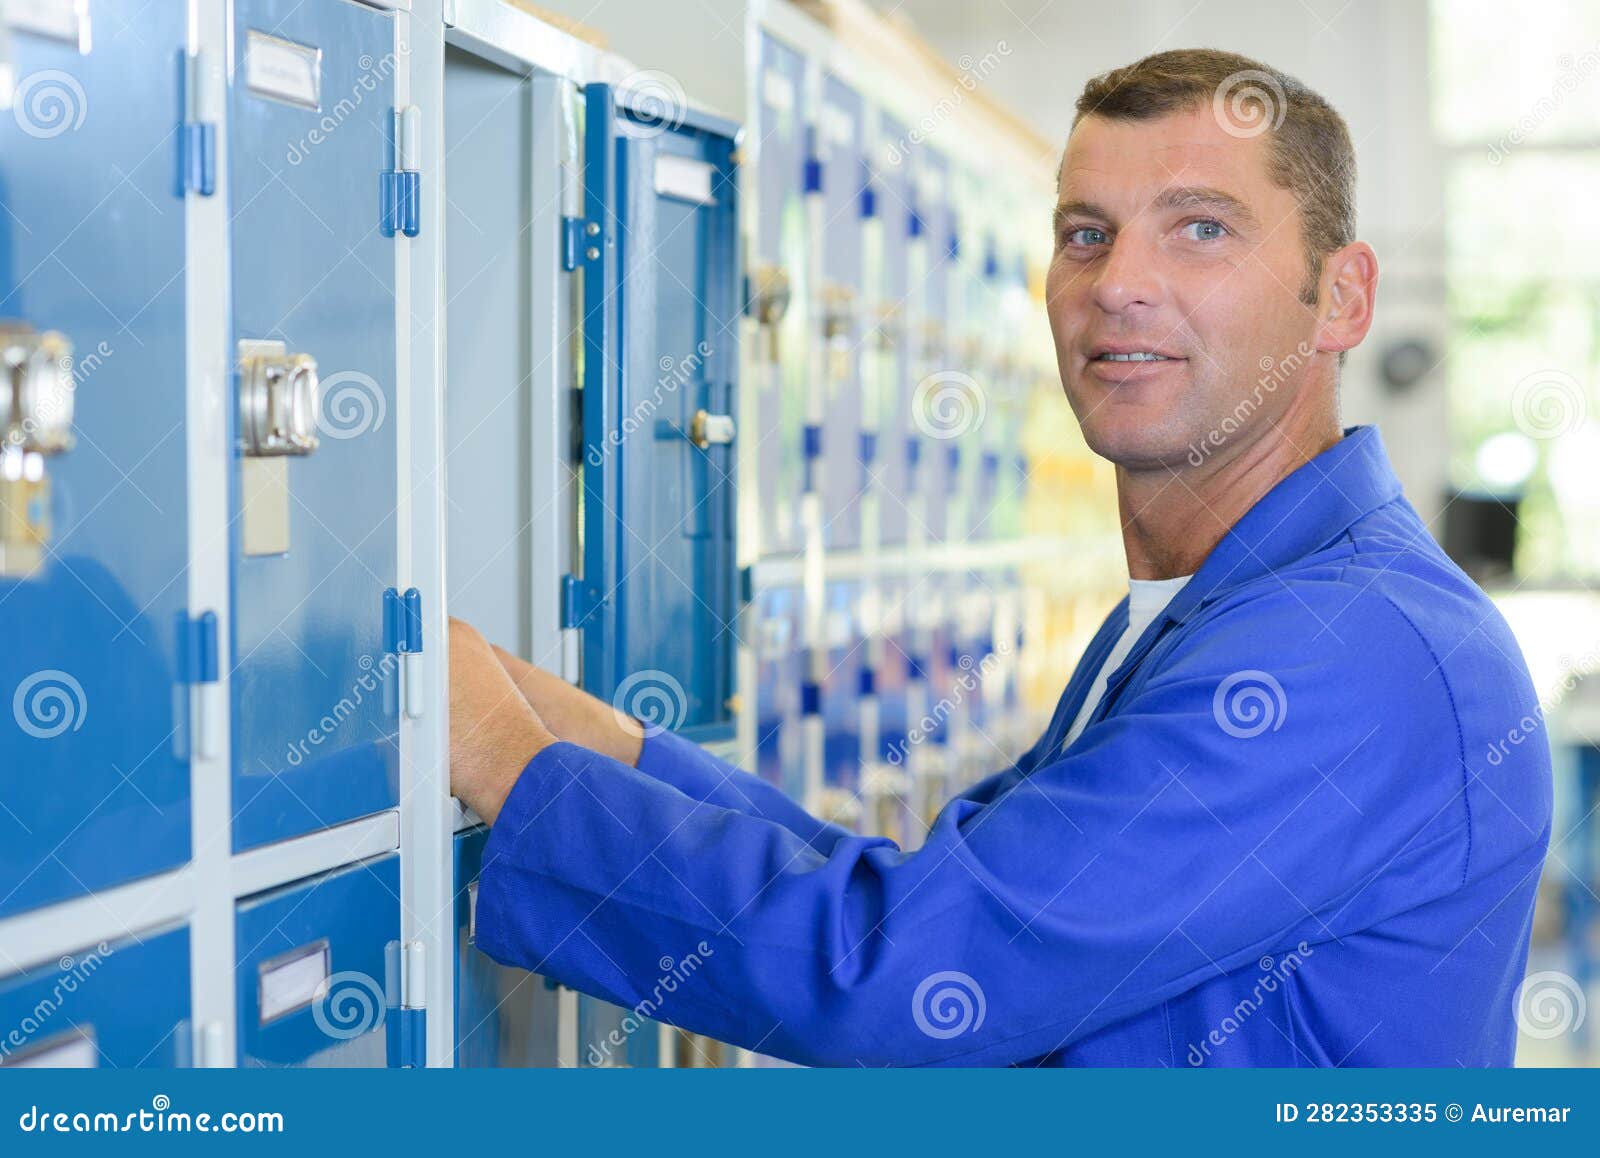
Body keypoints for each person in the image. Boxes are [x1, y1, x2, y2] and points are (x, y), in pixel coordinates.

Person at [447, 48, 1552, 1066]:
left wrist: (508, 767)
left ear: (1343, 298)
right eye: (1085, 232)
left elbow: (913, 970)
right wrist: (588, 741)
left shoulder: (1353, 653)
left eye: (1200, 229)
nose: (1119, 281)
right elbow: (943, 904)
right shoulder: (1209, 616)